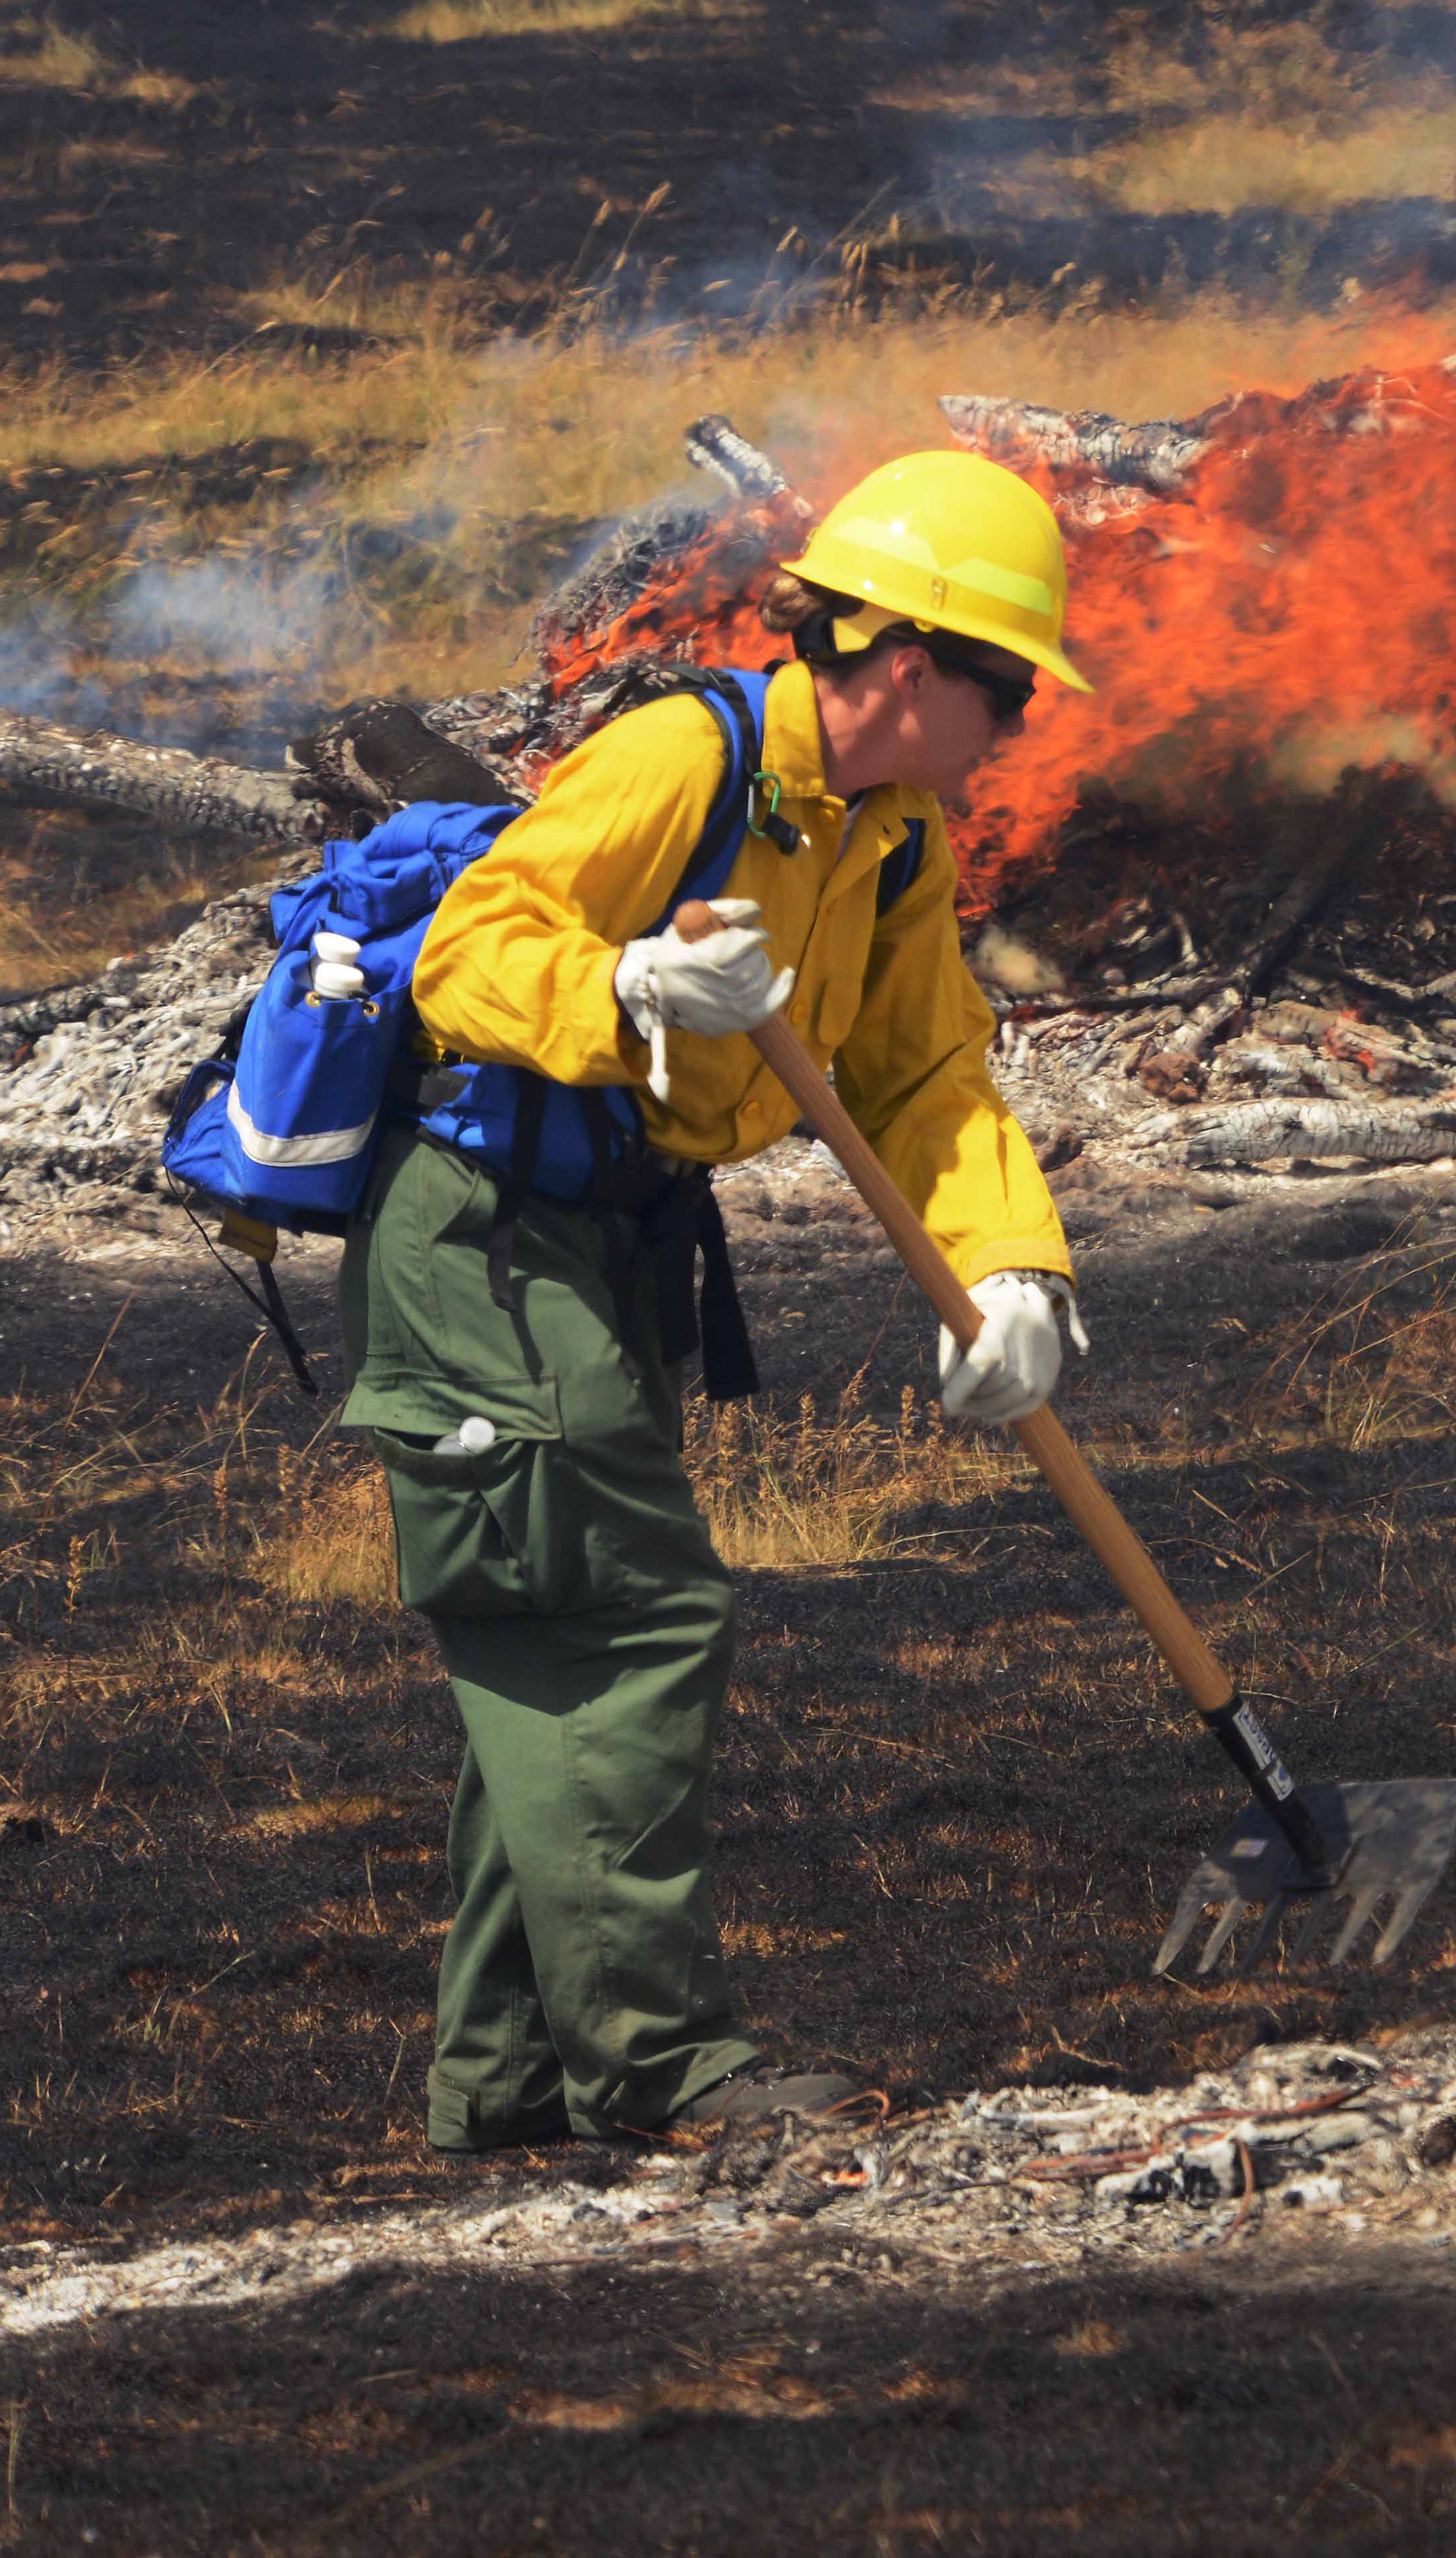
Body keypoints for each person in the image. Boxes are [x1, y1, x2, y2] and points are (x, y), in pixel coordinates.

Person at [360, 449, 1088, 2152]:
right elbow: (471, 951)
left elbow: (925, 1074)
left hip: (606, 1249)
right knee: (625, 1622)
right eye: (1011, 692)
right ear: (910, 669)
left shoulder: (888, 837)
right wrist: (623, 981)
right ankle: (663, 2066)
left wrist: (1010, 1264)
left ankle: (512, 2079)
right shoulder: (686, 756)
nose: (1020, 731)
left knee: (559, 1635)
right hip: (481, 1235)